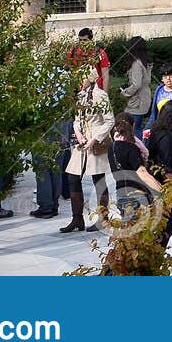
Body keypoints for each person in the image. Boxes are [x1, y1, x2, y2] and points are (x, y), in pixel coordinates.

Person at [60, 66, 113, 233]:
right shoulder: (81, 96)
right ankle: (77, 219)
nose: (78, 82)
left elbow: (109, 121)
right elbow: (76, 120)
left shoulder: (100, 96)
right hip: (82, 143)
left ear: (90, 78)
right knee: (72, 178)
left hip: (96, 143)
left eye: (81, 78)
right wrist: (79, 134)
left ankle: (103, 219)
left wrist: (94, 139)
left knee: (99, 180)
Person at [145, 100, 172, 256]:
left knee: (170, 225)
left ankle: (171, 257)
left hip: (168, 186)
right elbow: (164, 167)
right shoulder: (165, 136)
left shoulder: (166, 131)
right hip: (169, 187)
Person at [30, 114, 71, 219]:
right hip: (61, 135)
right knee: (56, 171)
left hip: (44, 135)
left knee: (43, 171)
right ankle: (53, 205)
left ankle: (46, 206)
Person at [123, 36, 153, 137]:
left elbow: (136, 84)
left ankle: (139, 151)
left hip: (137, 101)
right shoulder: (145, 62)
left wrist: (125, 92)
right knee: (139, 127)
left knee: (134, 130)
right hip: (145, 97)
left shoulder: (136, 64)